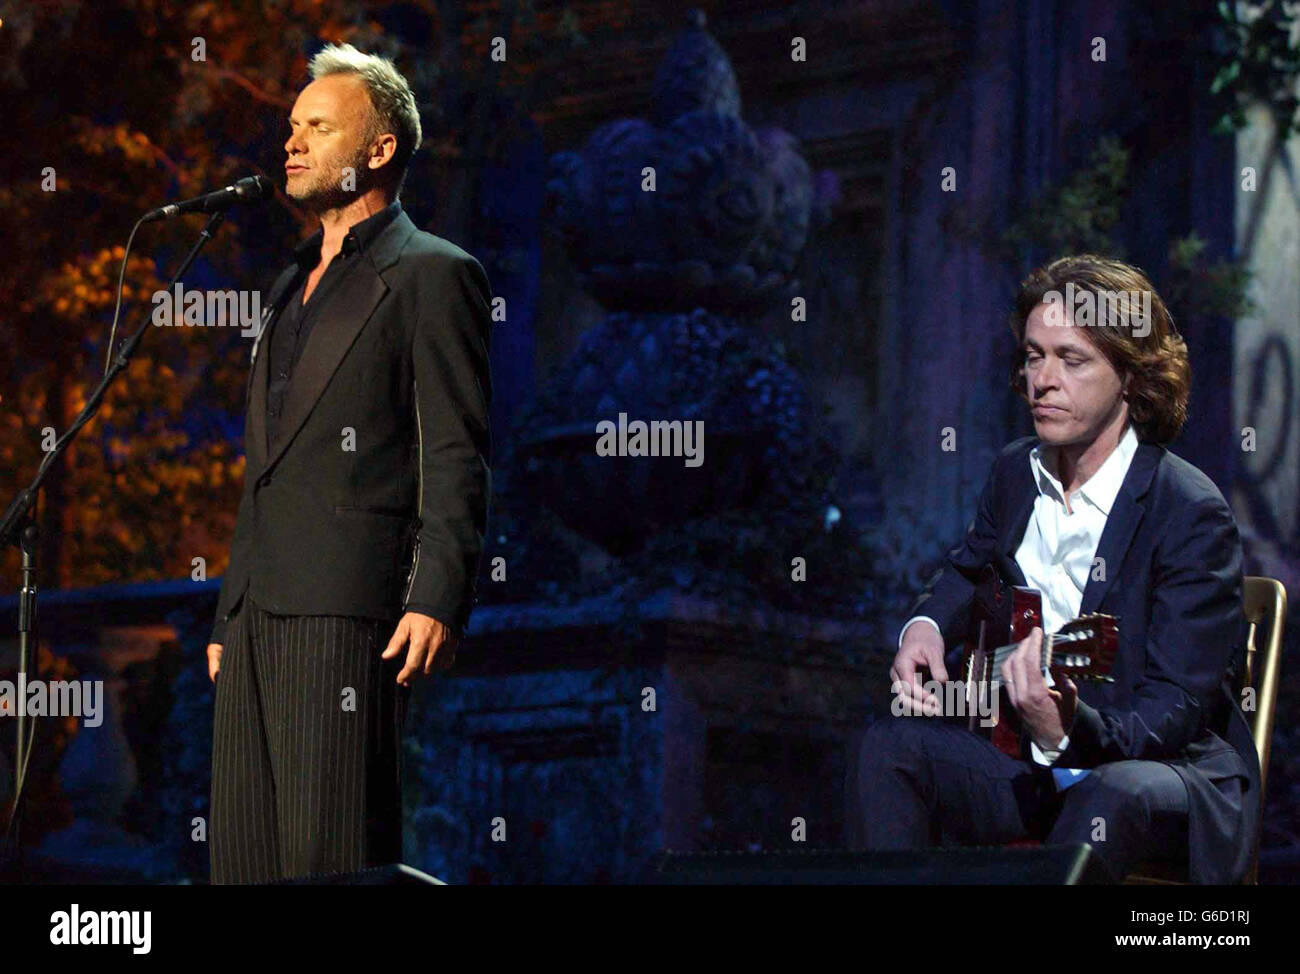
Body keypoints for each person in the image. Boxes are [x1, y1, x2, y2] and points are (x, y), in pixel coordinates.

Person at [854, 255, 1259, 884]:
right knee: (893, 748)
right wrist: (925, 626)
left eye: (1071, 359)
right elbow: (966, 570)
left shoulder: (1189, 509)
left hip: (1162, 772)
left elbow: (1175, 709)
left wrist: (1073, 729)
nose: (1043, 379)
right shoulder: (1018, 473)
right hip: (1039, 765)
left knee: (1111, 794)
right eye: (1034, 355)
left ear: (1130, 372)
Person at [205, 43, 492, 883]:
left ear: (378, 149)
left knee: (331, 865)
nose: (292, 143)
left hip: (348, 607)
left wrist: (437, 593)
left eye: (318, 127)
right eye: (293, 125)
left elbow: (455, 447)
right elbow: (268, 465)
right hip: (255, 616)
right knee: (243, 867)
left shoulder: (434, 274)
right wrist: (232, 607)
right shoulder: (286, 285)